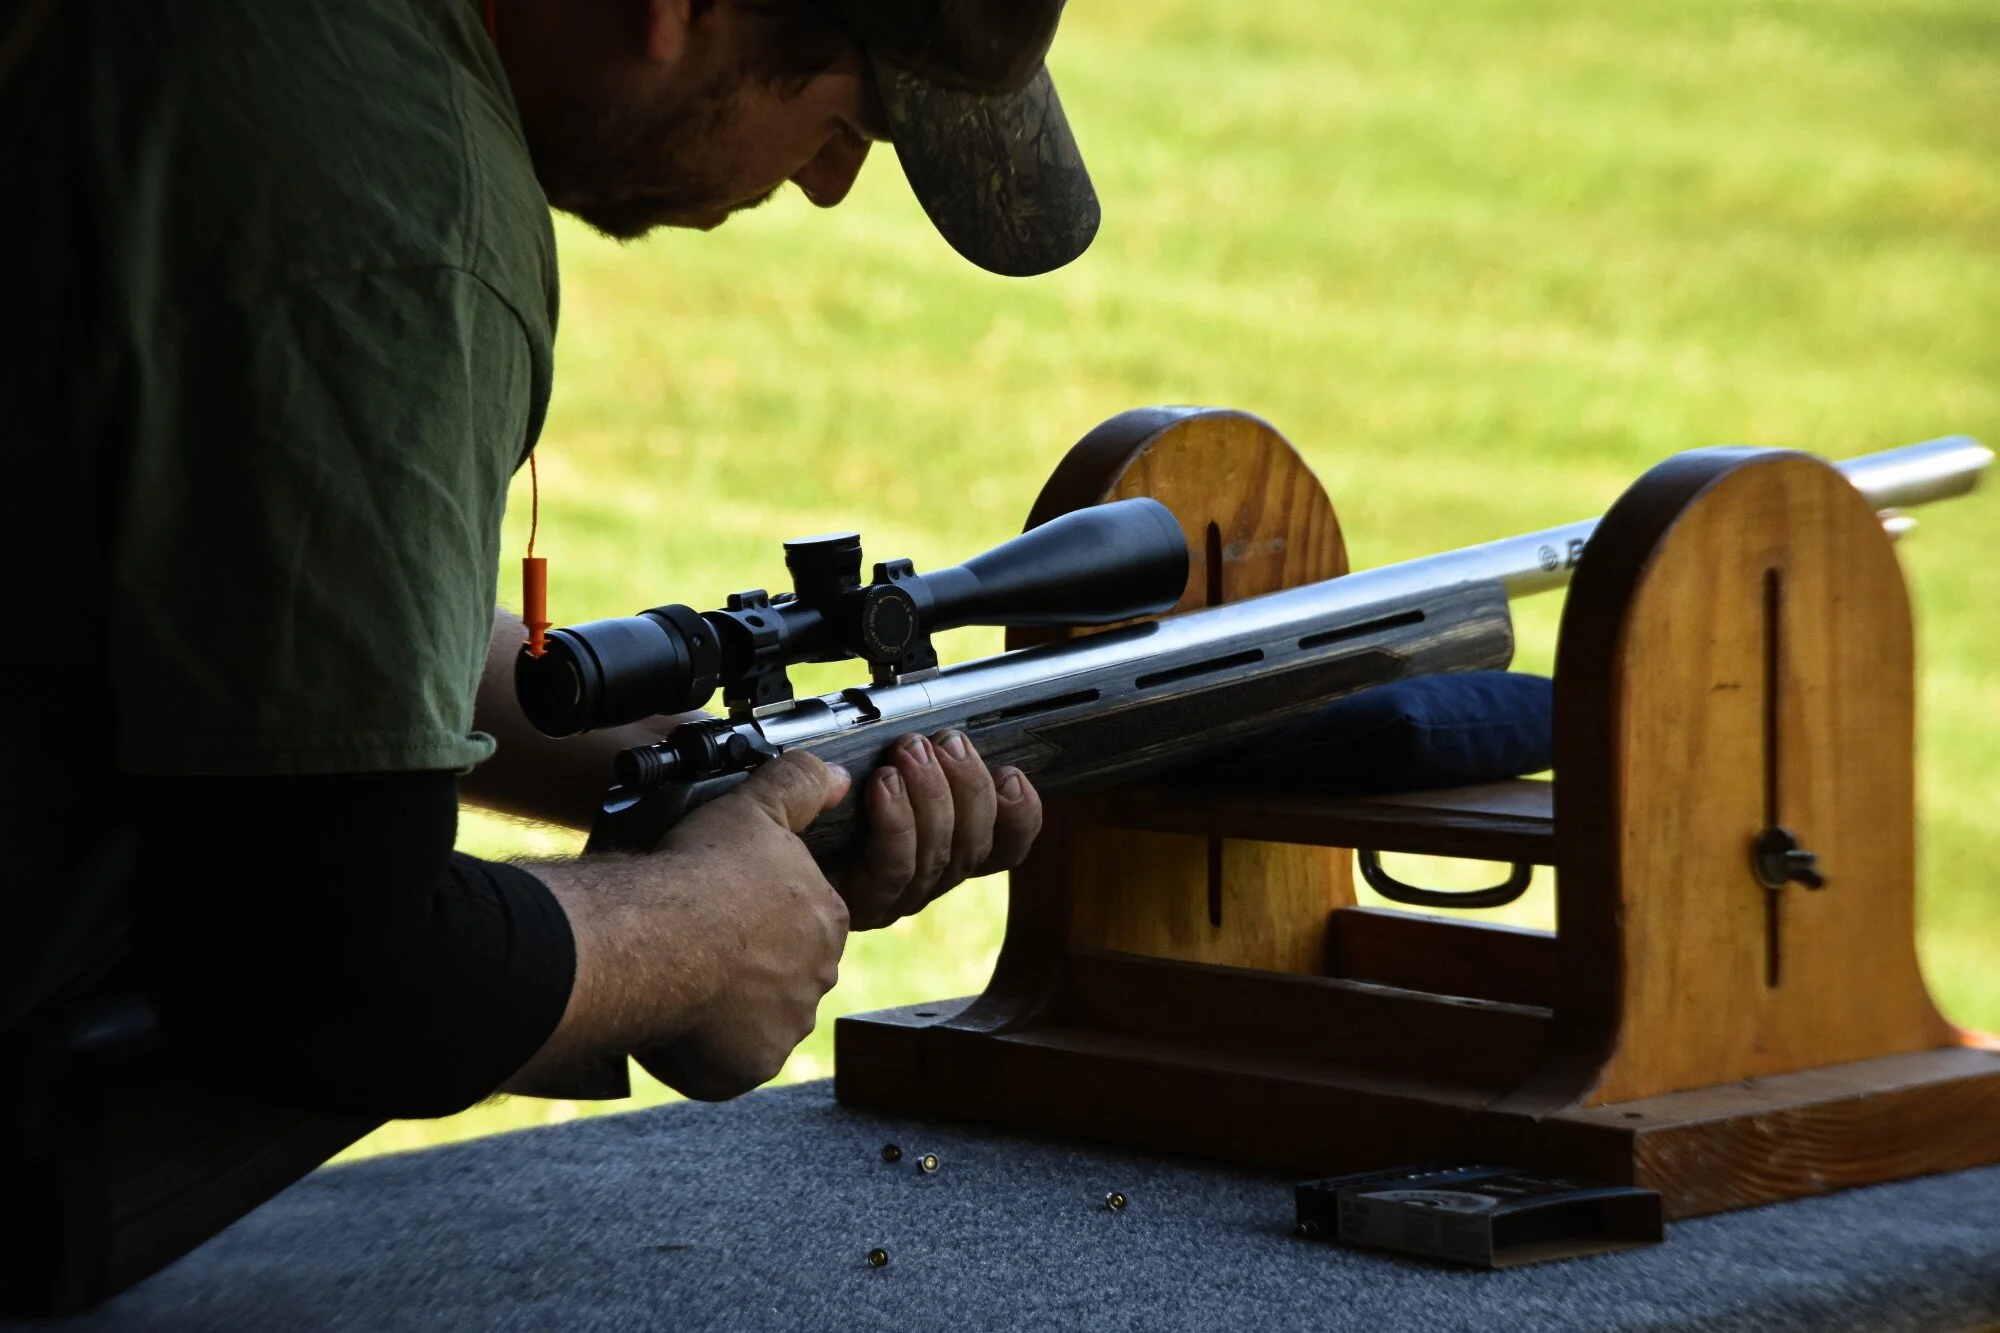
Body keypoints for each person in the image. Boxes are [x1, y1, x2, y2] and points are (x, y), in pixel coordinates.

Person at [1, 0, 1098, 1296]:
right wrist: (694, 941)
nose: (827, 181)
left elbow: (236, 594)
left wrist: (694, 776)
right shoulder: (401, 205)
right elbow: (316, 967)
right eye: (849, 116)